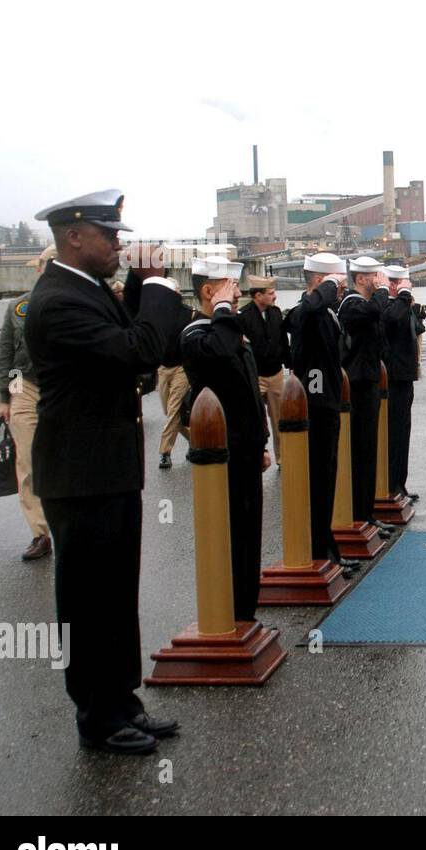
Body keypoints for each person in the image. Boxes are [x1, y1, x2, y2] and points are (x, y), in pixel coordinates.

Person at [26, 189, 185, 754]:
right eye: (109, 235)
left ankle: (122, 701)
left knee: (116, 594)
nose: (119, 244)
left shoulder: (86, 290)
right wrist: (161, 283)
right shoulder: (58, 301)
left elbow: (130, 328)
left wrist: (143, 282)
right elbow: (137, 349)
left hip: (108, 470)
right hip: (80, 473)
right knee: (88, 601)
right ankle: (95, 716)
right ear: (73, 237)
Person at [180, 257, 272, 621]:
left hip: (246, 446)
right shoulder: (196, 334)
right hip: (222, 453)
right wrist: (221, 309)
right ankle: (227, 612)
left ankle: (245, 610)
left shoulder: (226, 329)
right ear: (207, 291)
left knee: (249, 534)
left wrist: (262, 442)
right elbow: (218, 354)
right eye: (228, 288)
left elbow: (249, 390)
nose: (237, 295)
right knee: (229, 534)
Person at [285, 252, 358, 575]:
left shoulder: (325, 312)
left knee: (327, 478)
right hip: (314, 405)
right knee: (317, 480)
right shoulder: (308, 311)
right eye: (337, 284)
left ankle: (327, 547)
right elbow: (307, 310)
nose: (341, 290)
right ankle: (318, 549)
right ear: (319, 282)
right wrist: (328, 286)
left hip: (327, 402)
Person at [0, 245, 54, 560]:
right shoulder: (19, 307)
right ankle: (40, 533)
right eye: (48, 265)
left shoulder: (76, 304)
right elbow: (5, 352)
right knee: (28, 464)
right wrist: (6, 397)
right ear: (39, 269)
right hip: (24, 384)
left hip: (62, 389)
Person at [339, 256, 395, 536]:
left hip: (369, 380)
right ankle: (358, 513)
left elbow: (380, 318)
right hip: (358, 385)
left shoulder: (367, 304)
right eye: (375, 276)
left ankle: (367, 512)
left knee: (369, 450)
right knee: (360, 450)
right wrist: (384, 291)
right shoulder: (351, 304)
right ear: (361, 278)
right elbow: (373, 313)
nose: (380, 279)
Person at [238, 274, 291, 466]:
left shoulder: (276, 313)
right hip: (255, 376)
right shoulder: (243, 317)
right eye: (271, 293)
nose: (275, 296)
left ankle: (281, 458)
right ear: (257, 295)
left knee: (279, 421)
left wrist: (289, 364)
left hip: (275, 373)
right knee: (254, 419)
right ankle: (257, 455)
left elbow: (283, 342)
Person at [382, 267, 423, 502]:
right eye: (405, 283)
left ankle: (400, 483)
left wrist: (413, 309)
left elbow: (415, 328)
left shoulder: (401, 306)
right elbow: (392, 320)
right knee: (394, 432)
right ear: (394, 285)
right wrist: (403, 296)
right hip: (394, 378)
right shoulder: (387, 306)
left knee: (403, 431)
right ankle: (391, 484)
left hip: (405, 376)